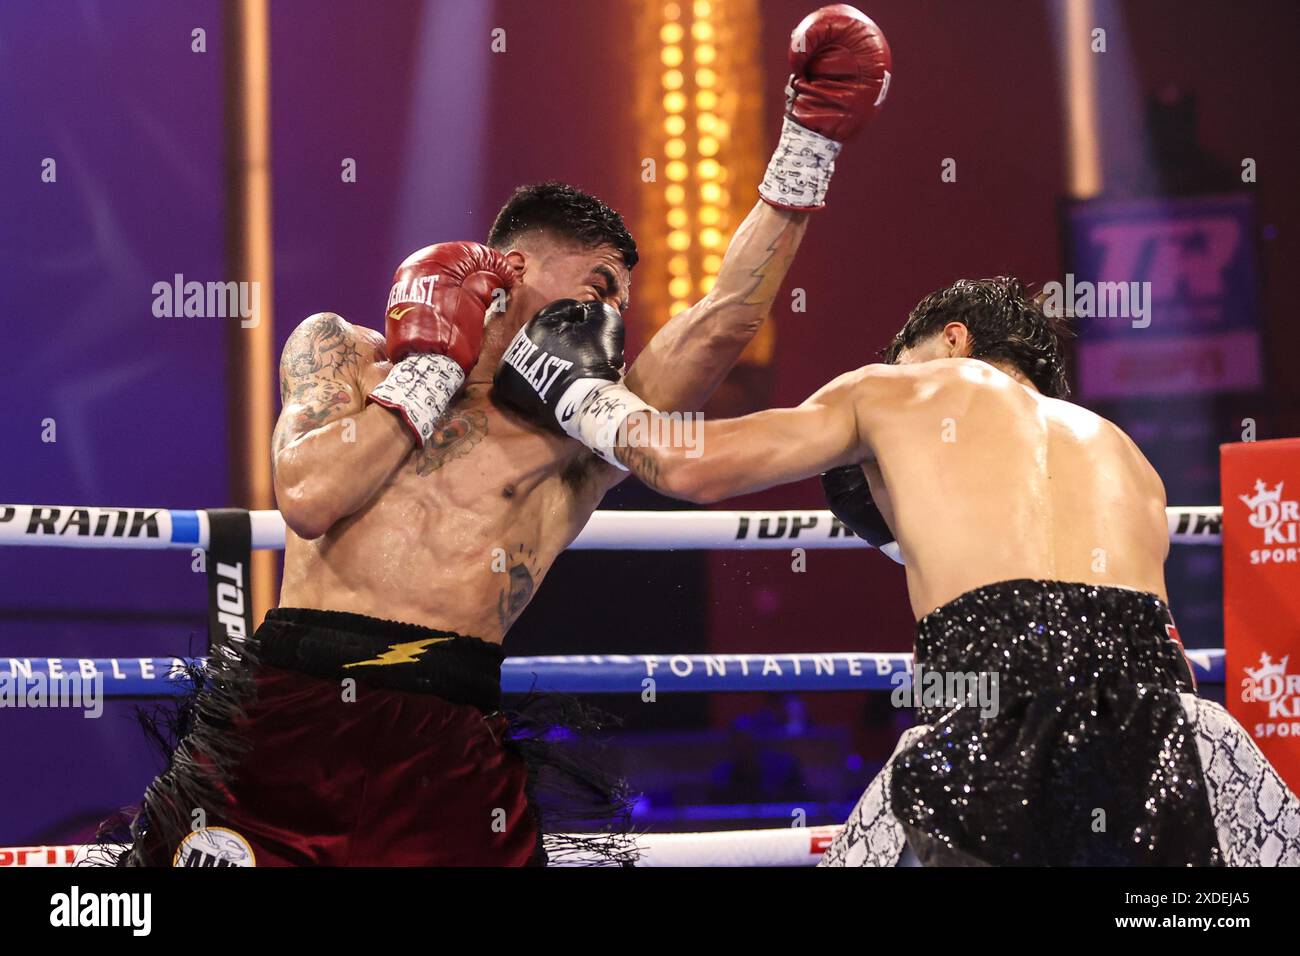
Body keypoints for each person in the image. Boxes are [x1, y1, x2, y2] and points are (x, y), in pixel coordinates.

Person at [109, 4, 894, 866]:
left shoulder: (578, 432)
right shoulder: (345, 351)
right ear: (514, 268)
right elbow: (309, 494)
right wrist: (432, 367)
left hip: (446, 740)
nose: (610, 317)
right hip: (289, 707)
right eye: (599, 284)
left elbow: (722, 321)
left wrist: (807, 145)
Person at [496, 275, 1300, 866]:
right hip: (1174, 735)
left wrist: (579, 392)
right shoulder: (1126, 453)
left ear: (951, 339)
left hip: (993, 738)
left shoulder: (895, 392)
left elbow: (689, 467)